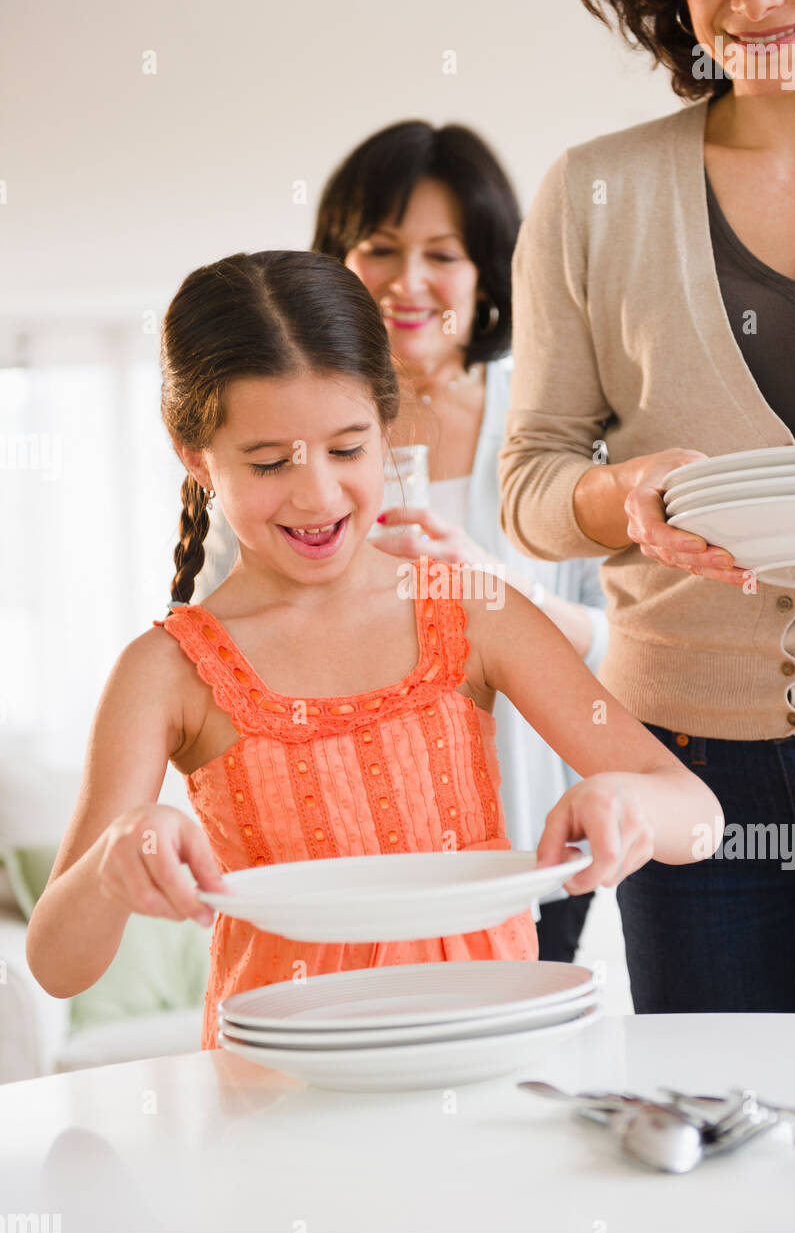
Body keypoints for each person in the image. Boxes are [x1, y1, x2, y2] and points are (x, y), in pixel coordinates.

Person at [25, 250, 723, 1048]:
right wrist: (119, 855)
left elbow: (698, 818)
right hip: (279, 1097)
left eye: (348, 449)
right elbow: (56, 966)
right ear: (194, 454)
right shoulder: (165, 673)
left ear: (387, 427)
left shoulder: (469, 611)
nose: (316, 493)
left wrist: (629, 805)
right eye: (267, 461)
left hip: (489, 1060)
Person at [498, 0, 795, 1015]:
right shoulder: (595, 193)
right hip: (677, 771)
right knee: (723, 1137)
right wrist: (619, 497)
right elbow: (530, 479)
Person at [311, 120, 610, 963]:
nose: (409, 282)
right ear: (336, 262)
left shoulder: (550, 425)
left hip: (530, 844)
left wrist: (490, 586)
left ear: (487, 276)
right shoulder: (290, 427)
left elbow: (624, 639)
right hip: (353, 849)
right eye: (379, 247)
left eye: (443, 254)